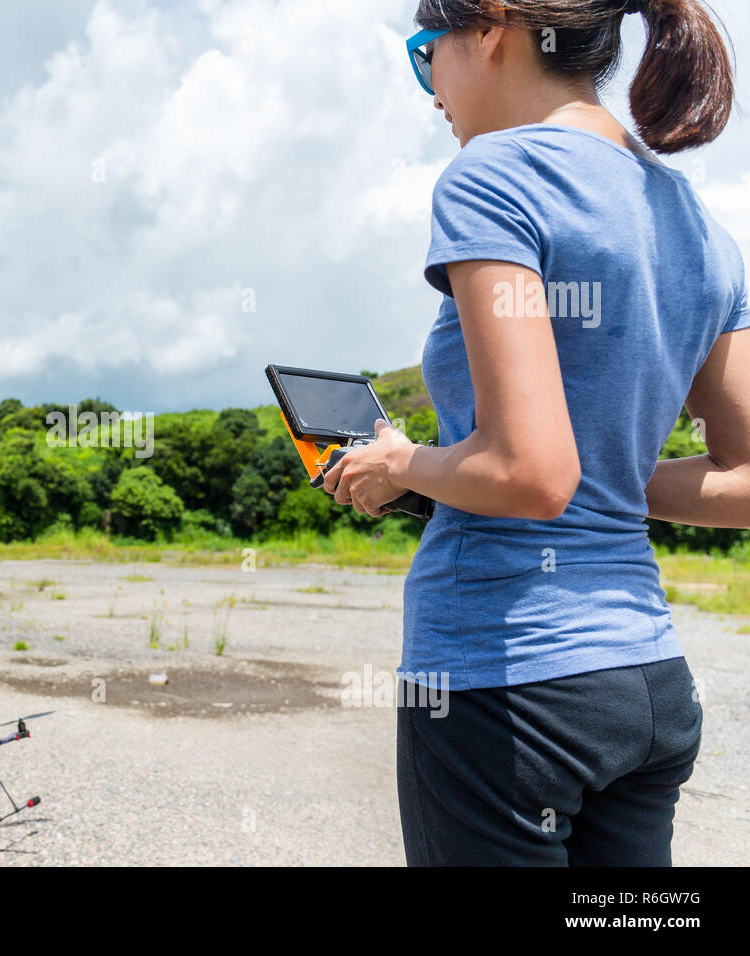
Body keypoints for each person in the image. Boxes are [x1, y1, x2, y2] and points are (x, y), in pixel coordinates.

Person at [320, 0, 749, 865]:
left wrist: (406, 461)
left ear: (492, 29)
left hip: (507, 679)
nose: (429, 83)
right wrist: (604, 472)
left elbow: (531, 473)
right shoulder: (696, 222)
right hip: (648, 687)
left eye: (423, 50)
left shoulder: (494, 179)